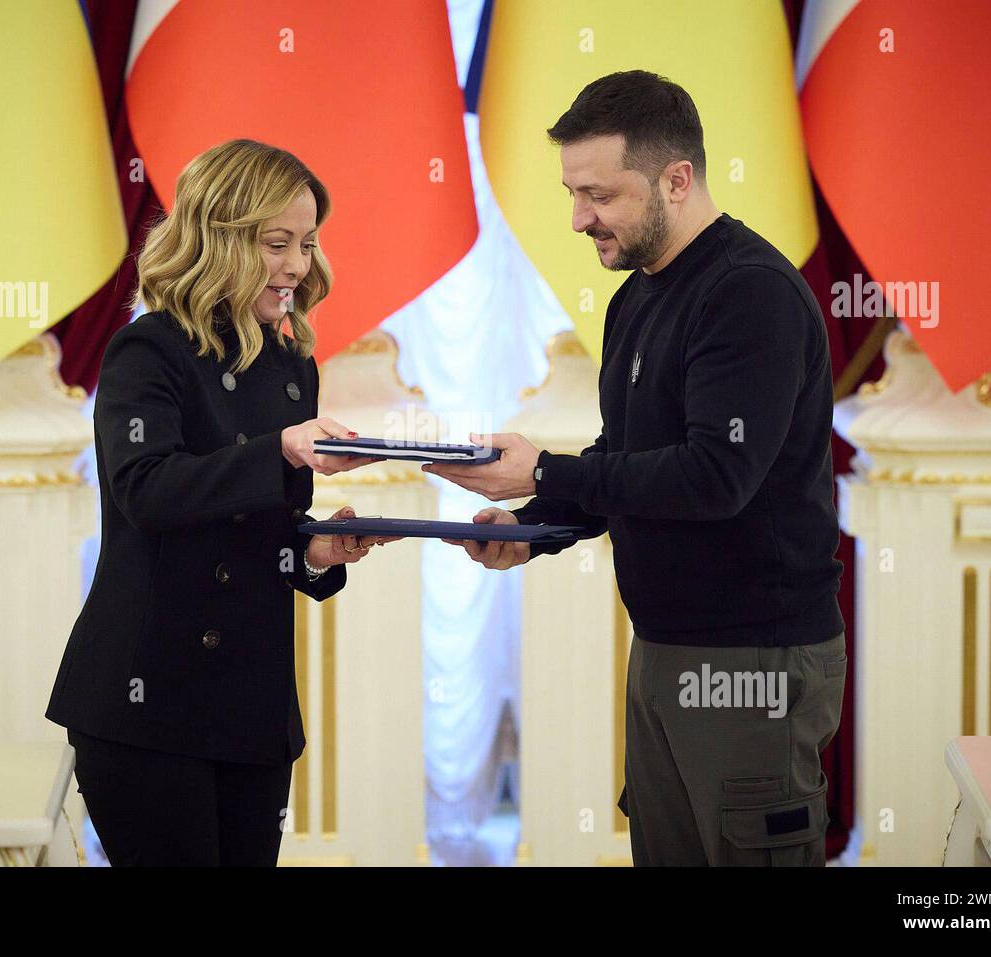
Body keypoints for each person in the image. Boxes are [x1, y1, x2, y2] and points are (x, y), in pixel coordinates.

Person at [426, 72, 846, 866]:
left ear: (676, 180)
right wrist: (532, 530)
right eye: (573, 193)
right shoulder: (636, 298)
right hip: (662, 648)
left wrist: (545, 473)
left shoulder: (749, 294)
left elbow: (713, 478)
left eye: (600, 195)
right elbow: (631, 470)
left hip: (751, 659)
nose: (581, 218)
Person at [45, 139, 393, 866]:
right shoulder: (148, 351)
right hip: (147, 705)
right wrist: (282, 450)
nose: (298, 264)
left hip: (251, 708)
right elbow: (148, 490)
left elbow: (262, 529)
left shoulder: (293, 363)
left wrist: (314, 549)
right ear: (219, 238)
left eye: (306, 242)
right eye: (277, 243)